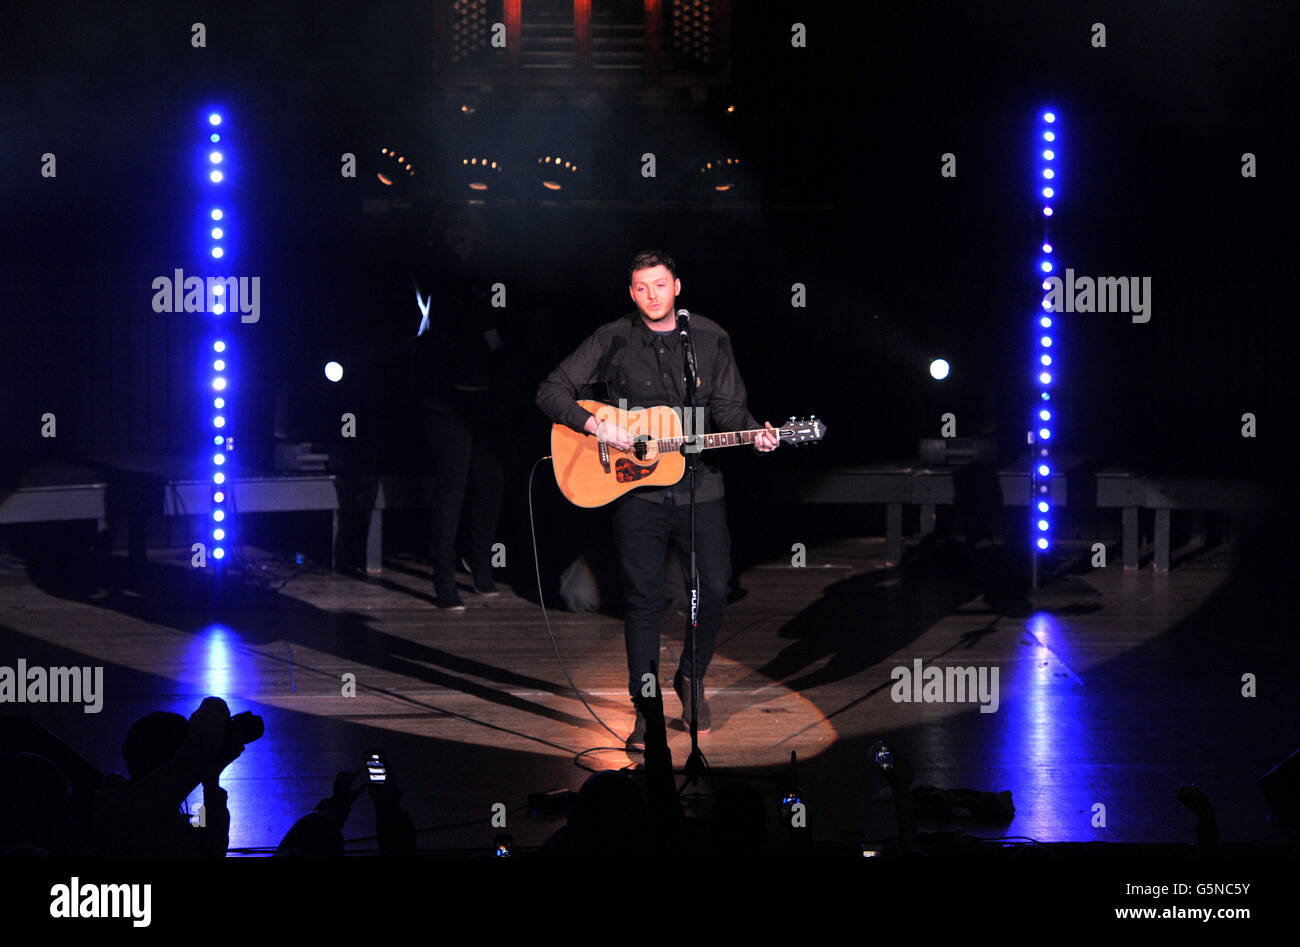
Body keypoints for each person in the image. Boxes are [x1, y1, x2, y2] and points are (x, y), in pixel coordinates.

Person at [535, 250, 778, 750]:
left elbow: (731, 409)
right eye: (642, 287)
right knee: (642, 601)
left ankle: (690, 676)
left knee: (713, 589)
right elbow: (551, 391)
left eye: (660, 285)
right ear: (631, 292)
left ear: (677, 287)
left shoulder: (709, 338)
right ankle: (645, 709)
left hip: (701, 487)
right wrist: (599, 425)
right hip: (636, 490)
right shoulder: (614, 337)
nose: (652, 295)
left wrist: (755, 433)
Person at [411, 208, 510, 609]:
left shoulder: (487, 276)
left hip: (482, 394)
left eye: (470, 232)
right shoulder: (437, 273)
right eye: (457, 232)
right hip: (443, 395)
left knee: (491, 480)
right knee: (452, 483)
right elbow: (449, 322)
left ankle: (481, 569)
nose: (464, 238)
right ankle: (443, 582)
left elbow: (497, 330)